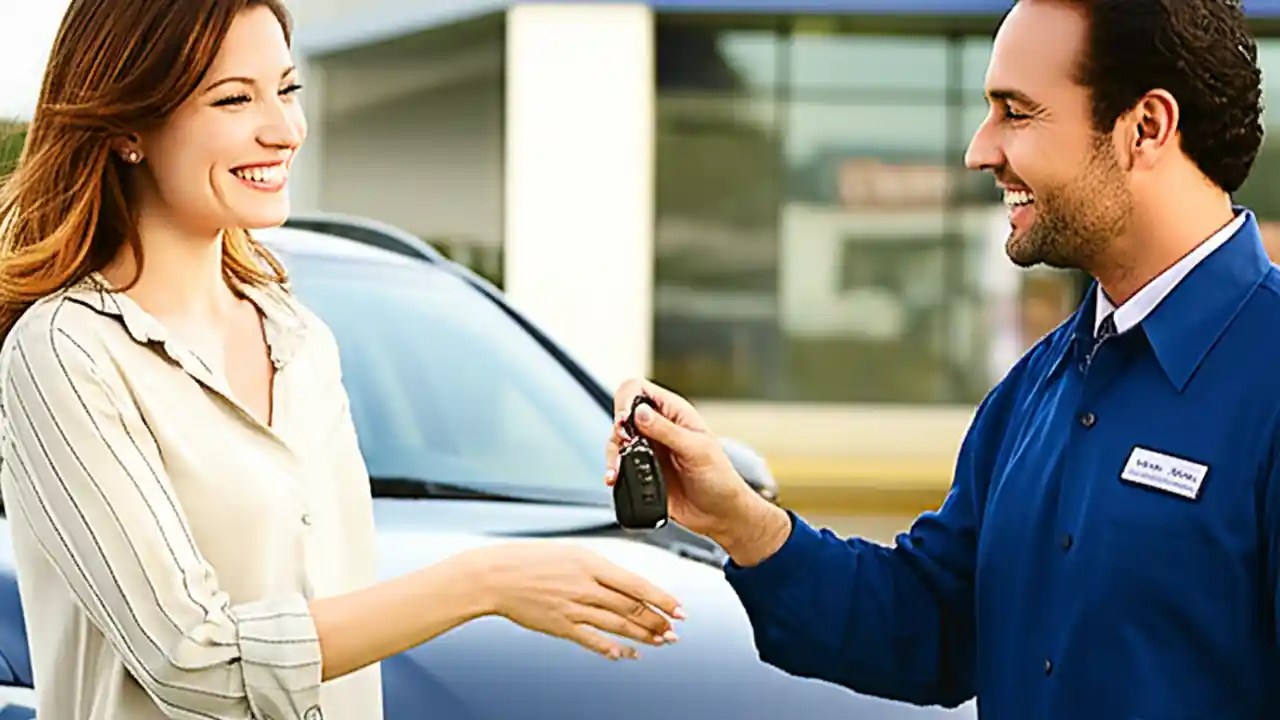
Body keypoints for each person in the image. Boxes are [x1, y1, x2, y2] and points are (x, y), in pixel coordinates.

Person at [0, 1, 683, 718]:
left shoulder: (299, 339)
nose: (284, 129)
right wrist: (486, 582)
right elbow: (194, 660)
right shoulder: (65, 353)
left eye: (288, 90)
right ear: (127, 129)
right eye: (234, 98)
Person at [607, 0, 1280, 717]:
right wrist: (738, 518)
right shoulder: (1035, 388)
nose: (980, 150)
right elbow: (930, 623)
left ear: (1145, 127)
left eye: (1015, 113)